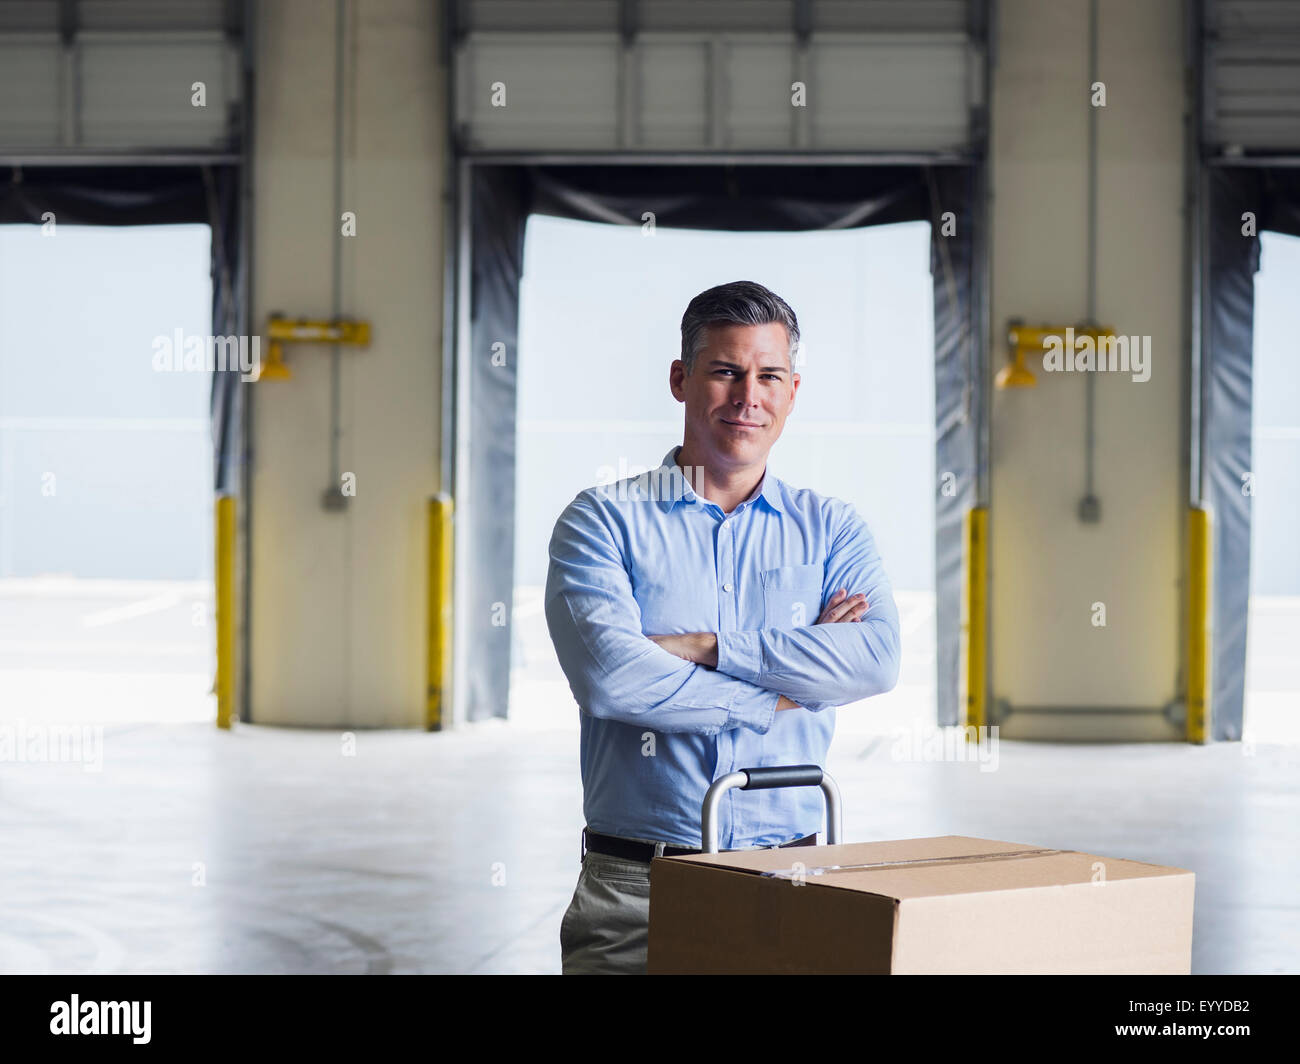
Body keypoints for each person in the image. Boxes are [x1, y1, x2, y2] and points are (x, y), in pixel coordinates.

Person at [545, 279, 901, 974]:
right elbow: (614, 681)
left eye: (769, 375)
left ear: (793, 389)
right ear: (681, 379)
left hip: (796, 880)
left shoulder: (832, 530)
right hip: (638, 893)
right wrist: (787, 689)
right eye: (726, 372)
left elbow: (876, 659)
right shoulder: (602, 521)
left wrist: (706, 649)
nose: (748, 398)